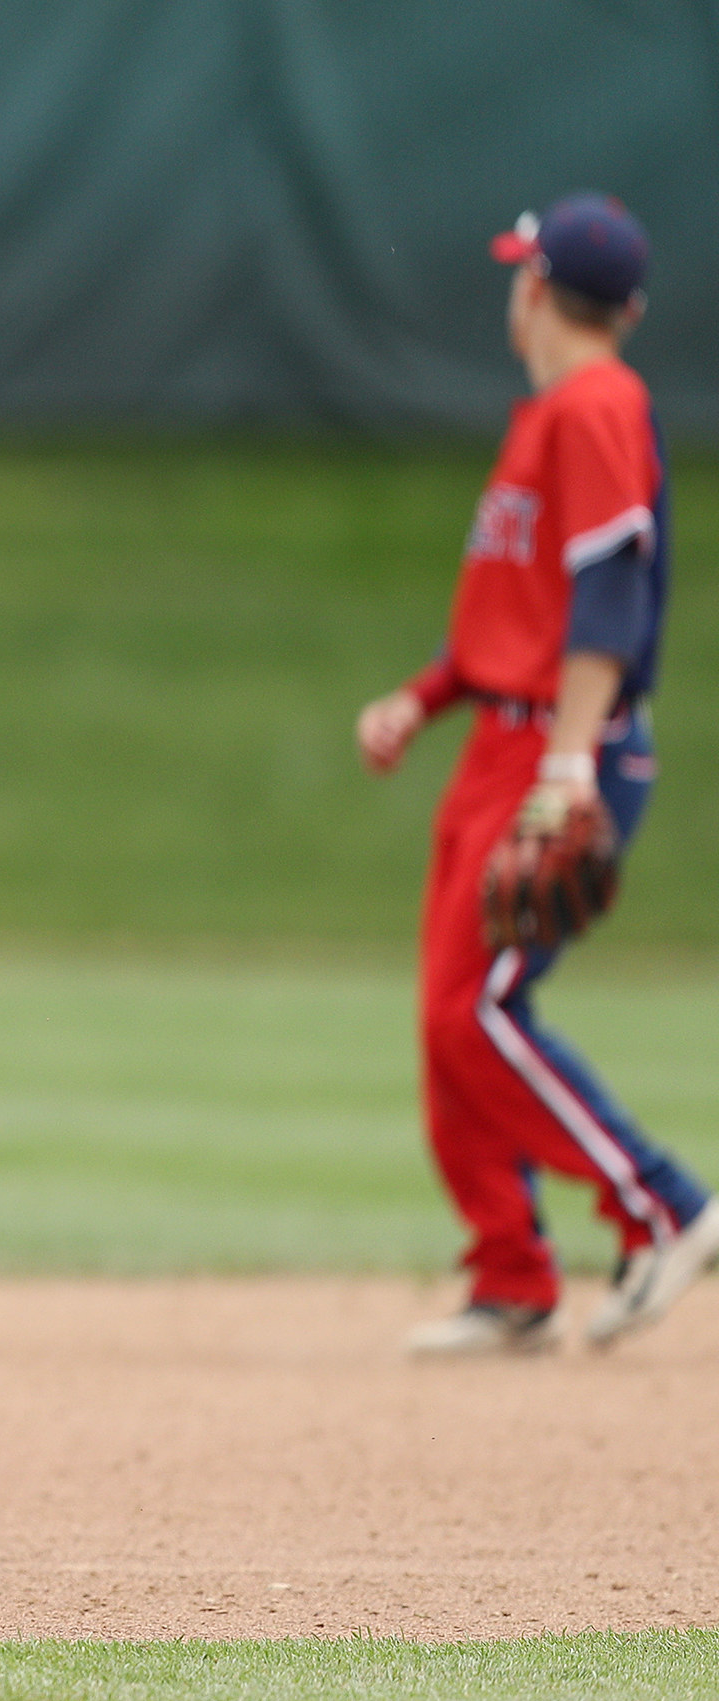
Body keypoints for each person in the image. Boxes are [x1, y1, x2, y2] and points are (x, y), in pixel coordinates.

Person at [358, 195, 717, 1356]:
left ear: (532, 289)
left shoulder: (599, 407)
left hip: (567, 745)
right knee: (446, 1017)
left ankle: (666, 1205)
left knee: (481, 1009)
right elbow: (513, 615)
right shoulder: (554, 416)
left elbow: (611, 592)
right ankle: (510, 1272)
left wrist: (568, 760)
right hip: (504, 737)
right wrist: (422, 698)